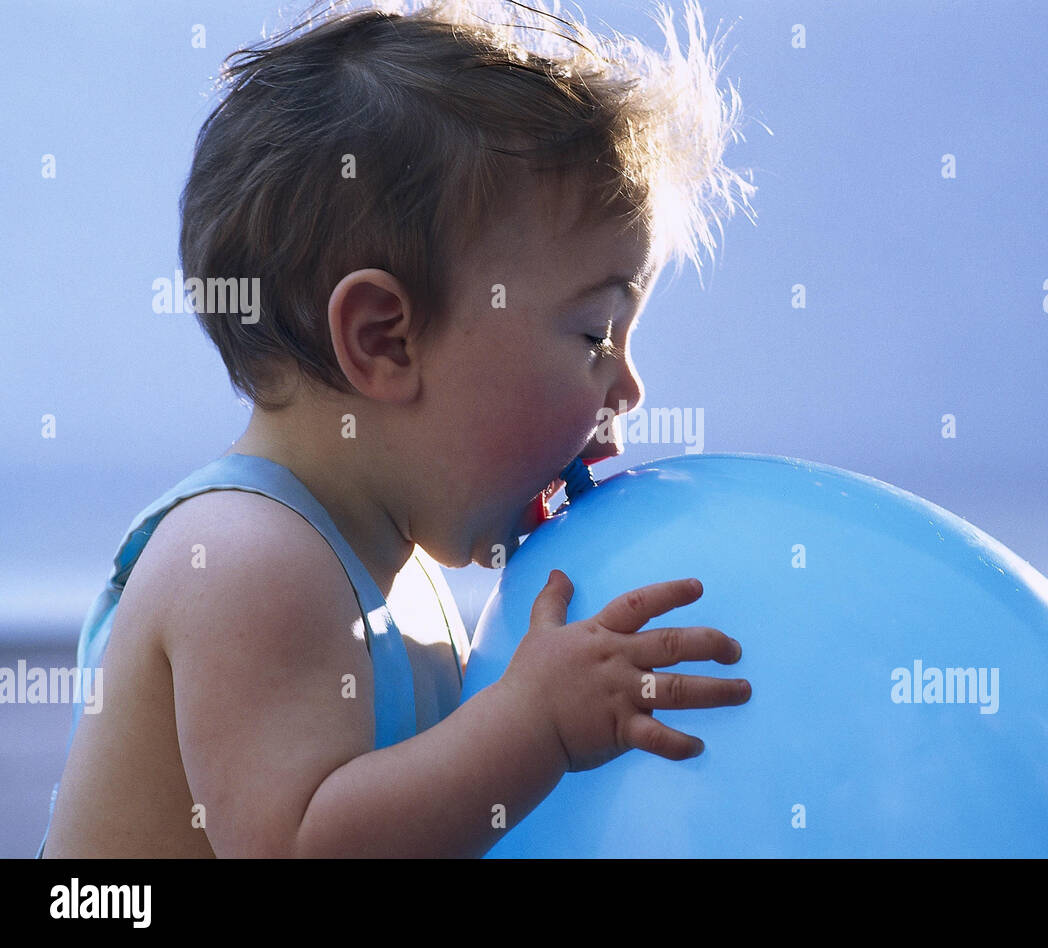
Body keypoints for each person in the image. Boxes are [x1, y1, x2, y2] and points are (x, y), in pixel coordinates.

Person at [39, 0, 756, 857]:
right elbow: (300, 846)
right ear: (386, 339)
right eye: (595, 333)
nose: (630, 388)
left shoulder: (398, 572)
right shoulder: (242, 558)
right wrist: (536, 727)